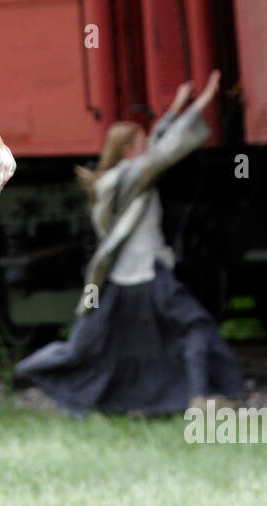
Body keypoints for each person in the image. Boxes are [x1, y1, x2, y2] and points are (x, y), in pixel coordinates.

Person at [16, 71, 245, 416]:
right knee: (194, 326)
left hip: (121, 282)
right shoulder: (128, 179)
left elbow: (156, 146)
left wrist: (178, 104)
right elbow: (164, 152)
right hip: (146, 275)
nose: (145, 147)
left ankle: (37, 373)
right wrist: (205, 99)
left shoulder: (119, 177)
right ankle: (199, 397)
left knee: (88, 347)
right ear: (127, 151)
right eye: (139, 143)